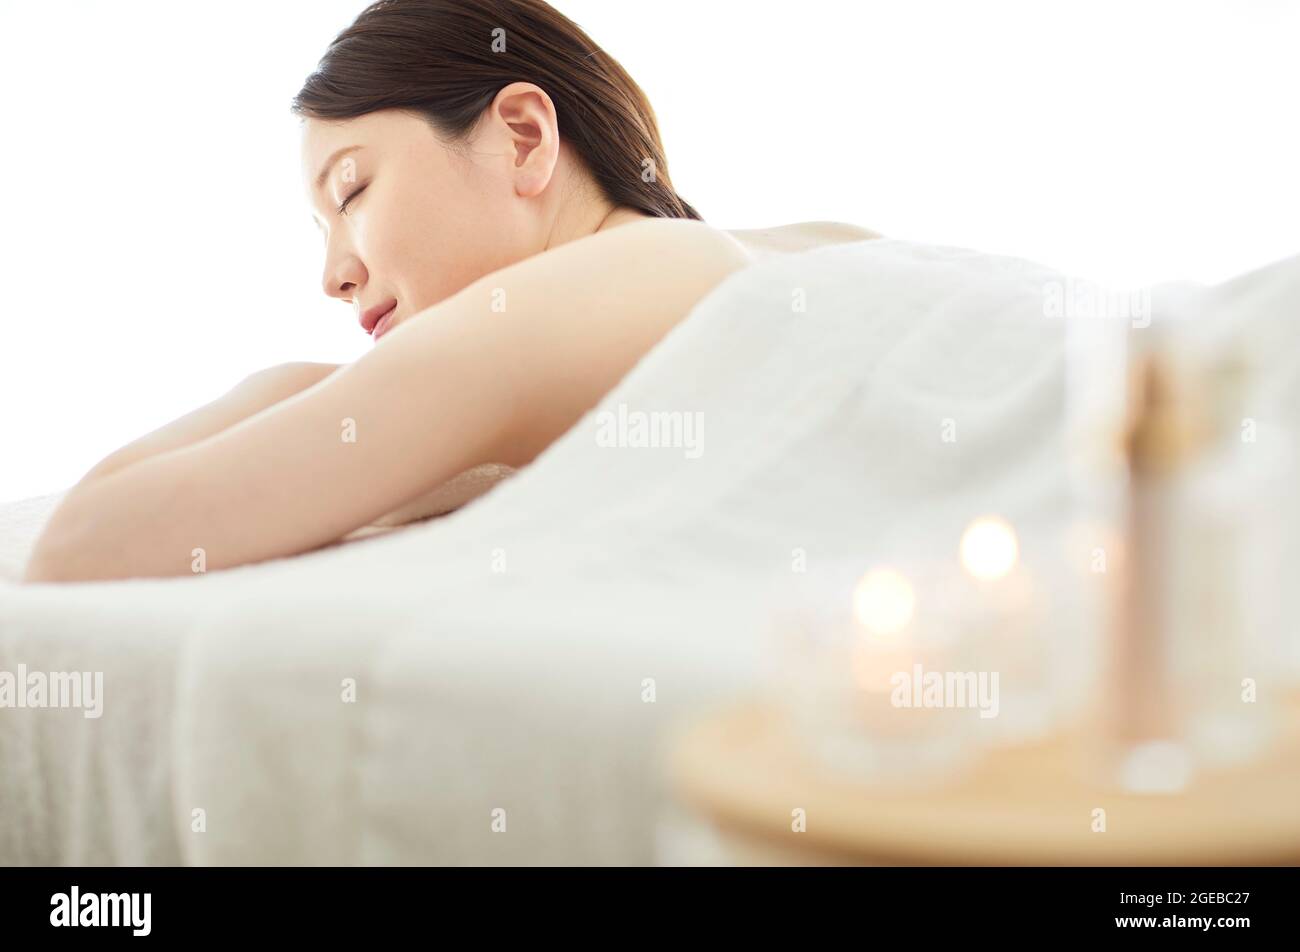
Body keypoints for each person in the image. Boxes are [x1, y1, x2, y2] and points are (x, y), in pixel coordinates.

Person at [22, 0, 876, 583]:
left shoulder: (608, 286)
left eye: (351, 193)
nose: (334, 276)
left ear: (522, 136)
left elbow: (82, 544)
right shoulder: (811, 247)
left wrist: (297, 386)